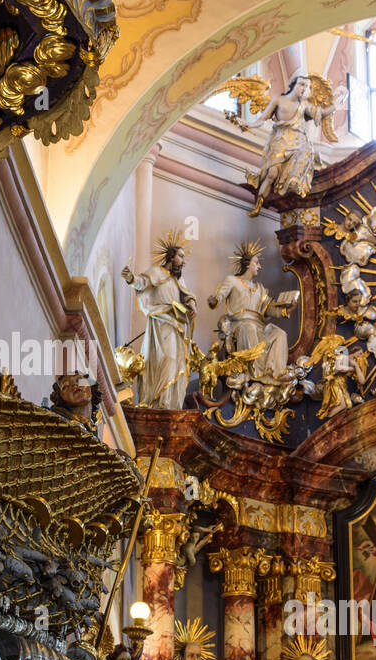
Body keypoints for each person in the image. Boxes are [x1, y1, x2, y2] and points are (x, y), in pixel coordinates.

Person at [245, 74, 340, 216]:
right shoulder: (278, 99)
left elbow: (323, 112)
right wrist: (248, 124)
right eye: (301, 84)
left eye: (306, 86)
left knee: (304, 155)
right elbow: (263, 118)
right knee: (271, 174)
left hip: (297, 142)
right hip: (280, 141)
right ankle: (258, 204)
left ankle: (295, 182)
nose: (304, 88)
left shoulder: (305, 104)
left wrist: (339, 101)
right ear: (293, 84)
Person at [122, 236, 196, 409]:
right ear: (171, 257)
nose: (183, 261)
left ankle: (170, 402)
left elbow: (188, 295)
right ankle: (157, 399)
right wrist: (131, 278)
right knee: (166, 358)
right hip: (161, 321)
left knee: (177, 362)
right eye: (181, 256)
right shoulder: (157, 272)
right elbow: (142, 282)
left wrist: (192, 305)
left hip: (176, 324)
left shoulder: (179, 280)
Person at [207, 240, 292, 388]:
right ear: (247, 264)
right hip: (239, 323)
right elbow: (218, 297)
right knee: (248, 327)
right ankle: (254, 372)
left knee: (280, 334)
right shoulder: (232, 281)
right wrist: (214, 300)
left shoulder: (260, 288)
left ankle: (277, 373)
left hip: (260, 325)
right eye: (256, 262)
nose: (259, 266)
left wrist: (287, 309)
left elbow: (268, 309)